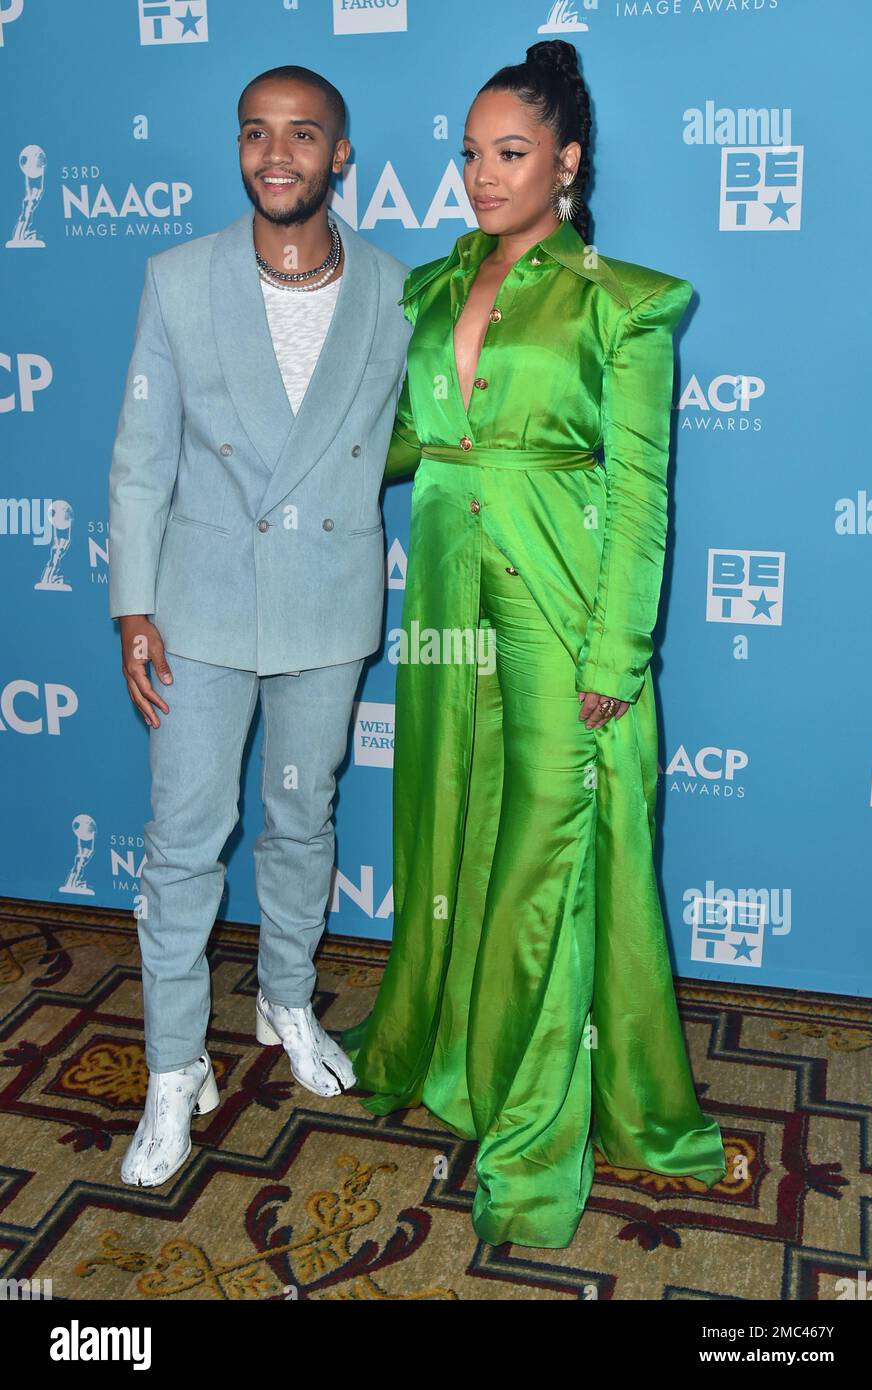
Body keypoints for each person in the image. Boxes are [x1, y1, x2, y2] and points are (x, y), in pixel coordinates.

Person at [341, 40, 727, 1249]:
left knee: (542, 857)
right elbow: (402, 443)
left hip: (562, 604)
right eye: (467, 155)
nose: (479, 176)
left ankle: (526, 1118)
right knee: (447, 820)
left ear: (564, 161)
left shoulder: (620, 300)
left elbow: (645, 492)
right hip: (447, 594)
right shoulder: (432, 282)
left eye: (508, 154)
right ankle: (442, 1048)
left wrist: (618, 655)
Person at [108, 65, 411, 1187]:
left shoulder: (392, 288)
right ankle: (172, 1069)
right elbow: (141, 462)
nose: (274, 153)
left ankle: (285, 998)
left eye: (301, 135)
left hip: (327, 603)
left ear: (341, 154)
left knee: (301, 819)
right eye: (254, 133)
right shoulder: (178, 278)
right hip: (201, 604)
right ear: (239, 148)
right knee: (184, 844)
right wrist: (133, 604)